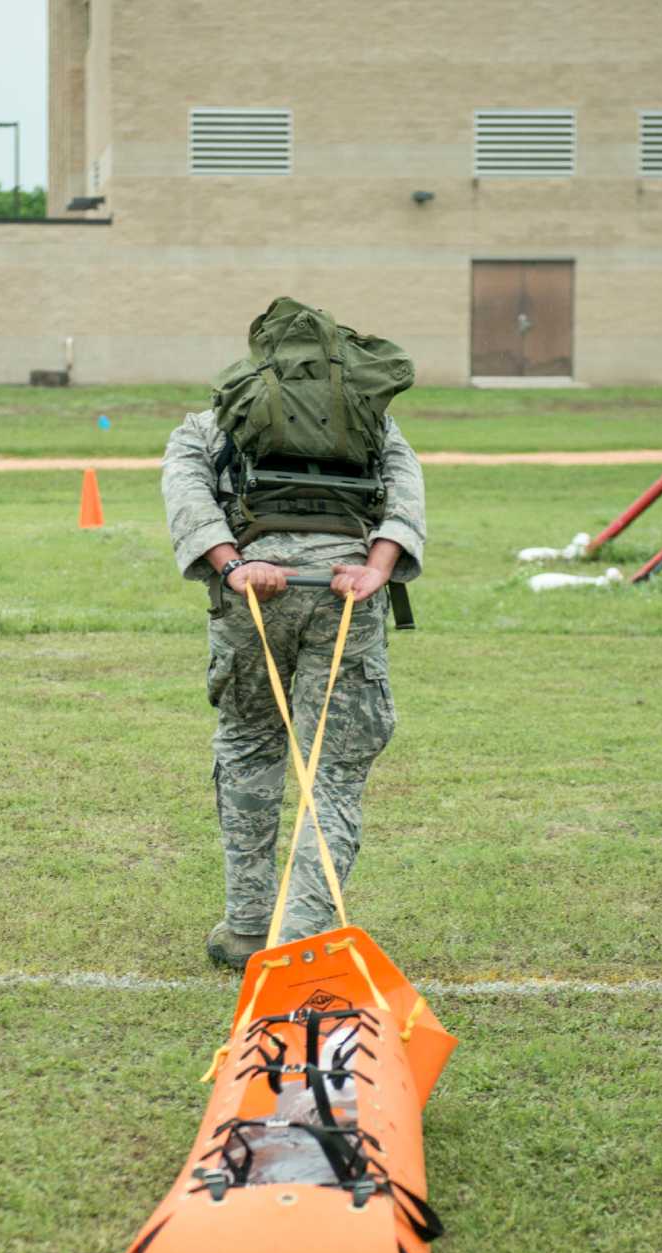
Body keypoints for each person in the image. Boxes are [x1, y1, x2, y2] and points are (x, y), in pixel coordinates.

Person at [162, 340, 426, 971]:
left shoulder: (212, 421)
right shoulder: (366, 417)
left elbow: (188, 493)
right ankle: (299, 939)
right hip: (345, 588)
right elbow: (405, 494)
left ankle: (249, 928)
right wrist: (374, 570)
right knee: (331, 768)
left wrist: (234, 567)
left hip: (255, 592)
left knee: (250, 744)